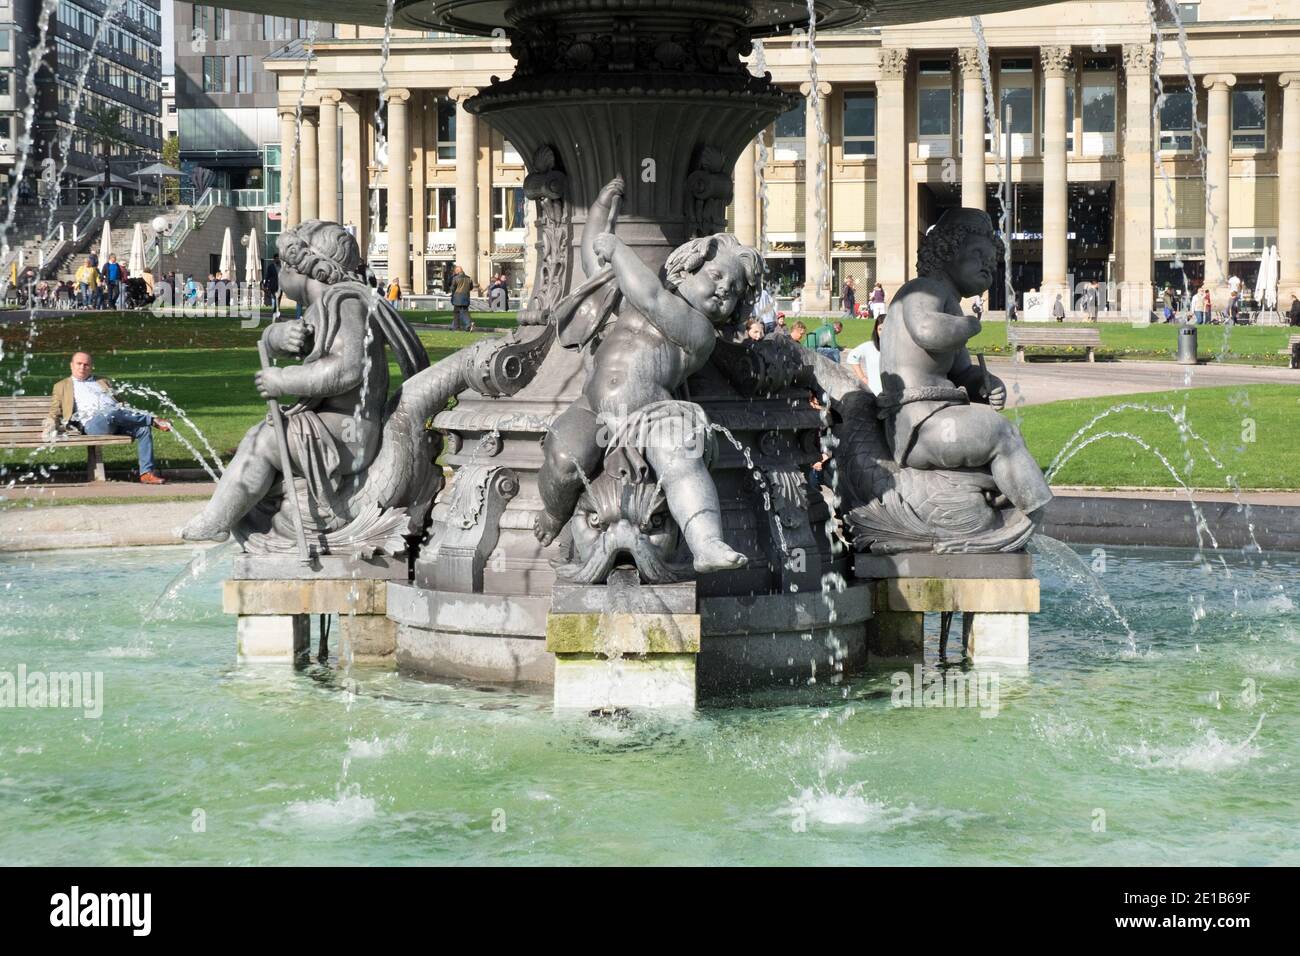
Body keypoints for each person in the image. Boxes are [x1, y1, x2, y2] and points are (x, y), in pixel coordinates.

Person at [532, 176, 758, 573]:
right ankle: (553, 512)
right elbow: (594, 265)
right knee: (564, 459)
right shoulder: (633, 301)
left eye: (735, 290)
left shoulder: (699, 331)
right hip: (594, 407)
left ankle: (706, 542)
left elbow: (650, 297)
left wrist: (619, 249)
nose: (725, 290)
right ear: (688, 267)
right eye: (718, 276)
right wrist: (601, 208)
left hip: (650, 414)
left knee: (680, 458)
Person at [878, 207, 1051, 523]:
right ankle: (1036, 519)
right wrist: (969, 326)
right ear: (946, 252)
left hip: (937, 417)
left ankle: (1012, 514)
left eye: (992, 262)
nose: (988, 266)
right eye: (978, 255)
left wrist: (986, 384)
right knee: (1001, 433)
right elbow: (928, 331)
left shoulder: (949, 301)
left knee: (1003, 433)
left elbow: (962, 373)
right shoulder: (924, 288)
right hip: (919, 423)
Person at [42, 351, 172, 484]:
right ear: (71, 366)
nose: (82, 367)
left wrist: (127, 412)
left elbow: (121, 403)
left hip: (116, 421)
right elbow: (55, 410)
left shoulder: (102, 381)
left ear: (91, 366)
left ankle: (146, 473)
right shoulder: (62, 386)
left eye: (86, 364)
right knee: (110, 412)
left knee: (143, 429)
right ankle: (152, 420)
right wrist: (51, 423)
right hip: (92, 425)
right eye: (79, 364)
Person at [843, 312, 884, 393]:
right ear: (876, 330)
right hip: (875, 392)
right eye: (880, 329)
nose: (883, 332)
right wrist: (862, 377)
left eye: (886, 328)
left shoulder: (896, 348)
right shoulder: (869, 346)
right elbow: (852, 357)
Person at [449, 264, 474, 331]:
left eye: (455, 271)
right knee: (464, 311)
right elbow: (471, 287)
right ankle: (455, 326)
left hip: (457, 297)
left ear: (457, 271)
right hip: (466, 296)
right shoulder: (469, 278)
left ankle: (466, 325)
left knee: (457, 313)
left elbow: (453, 288)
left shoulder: (455, 278)